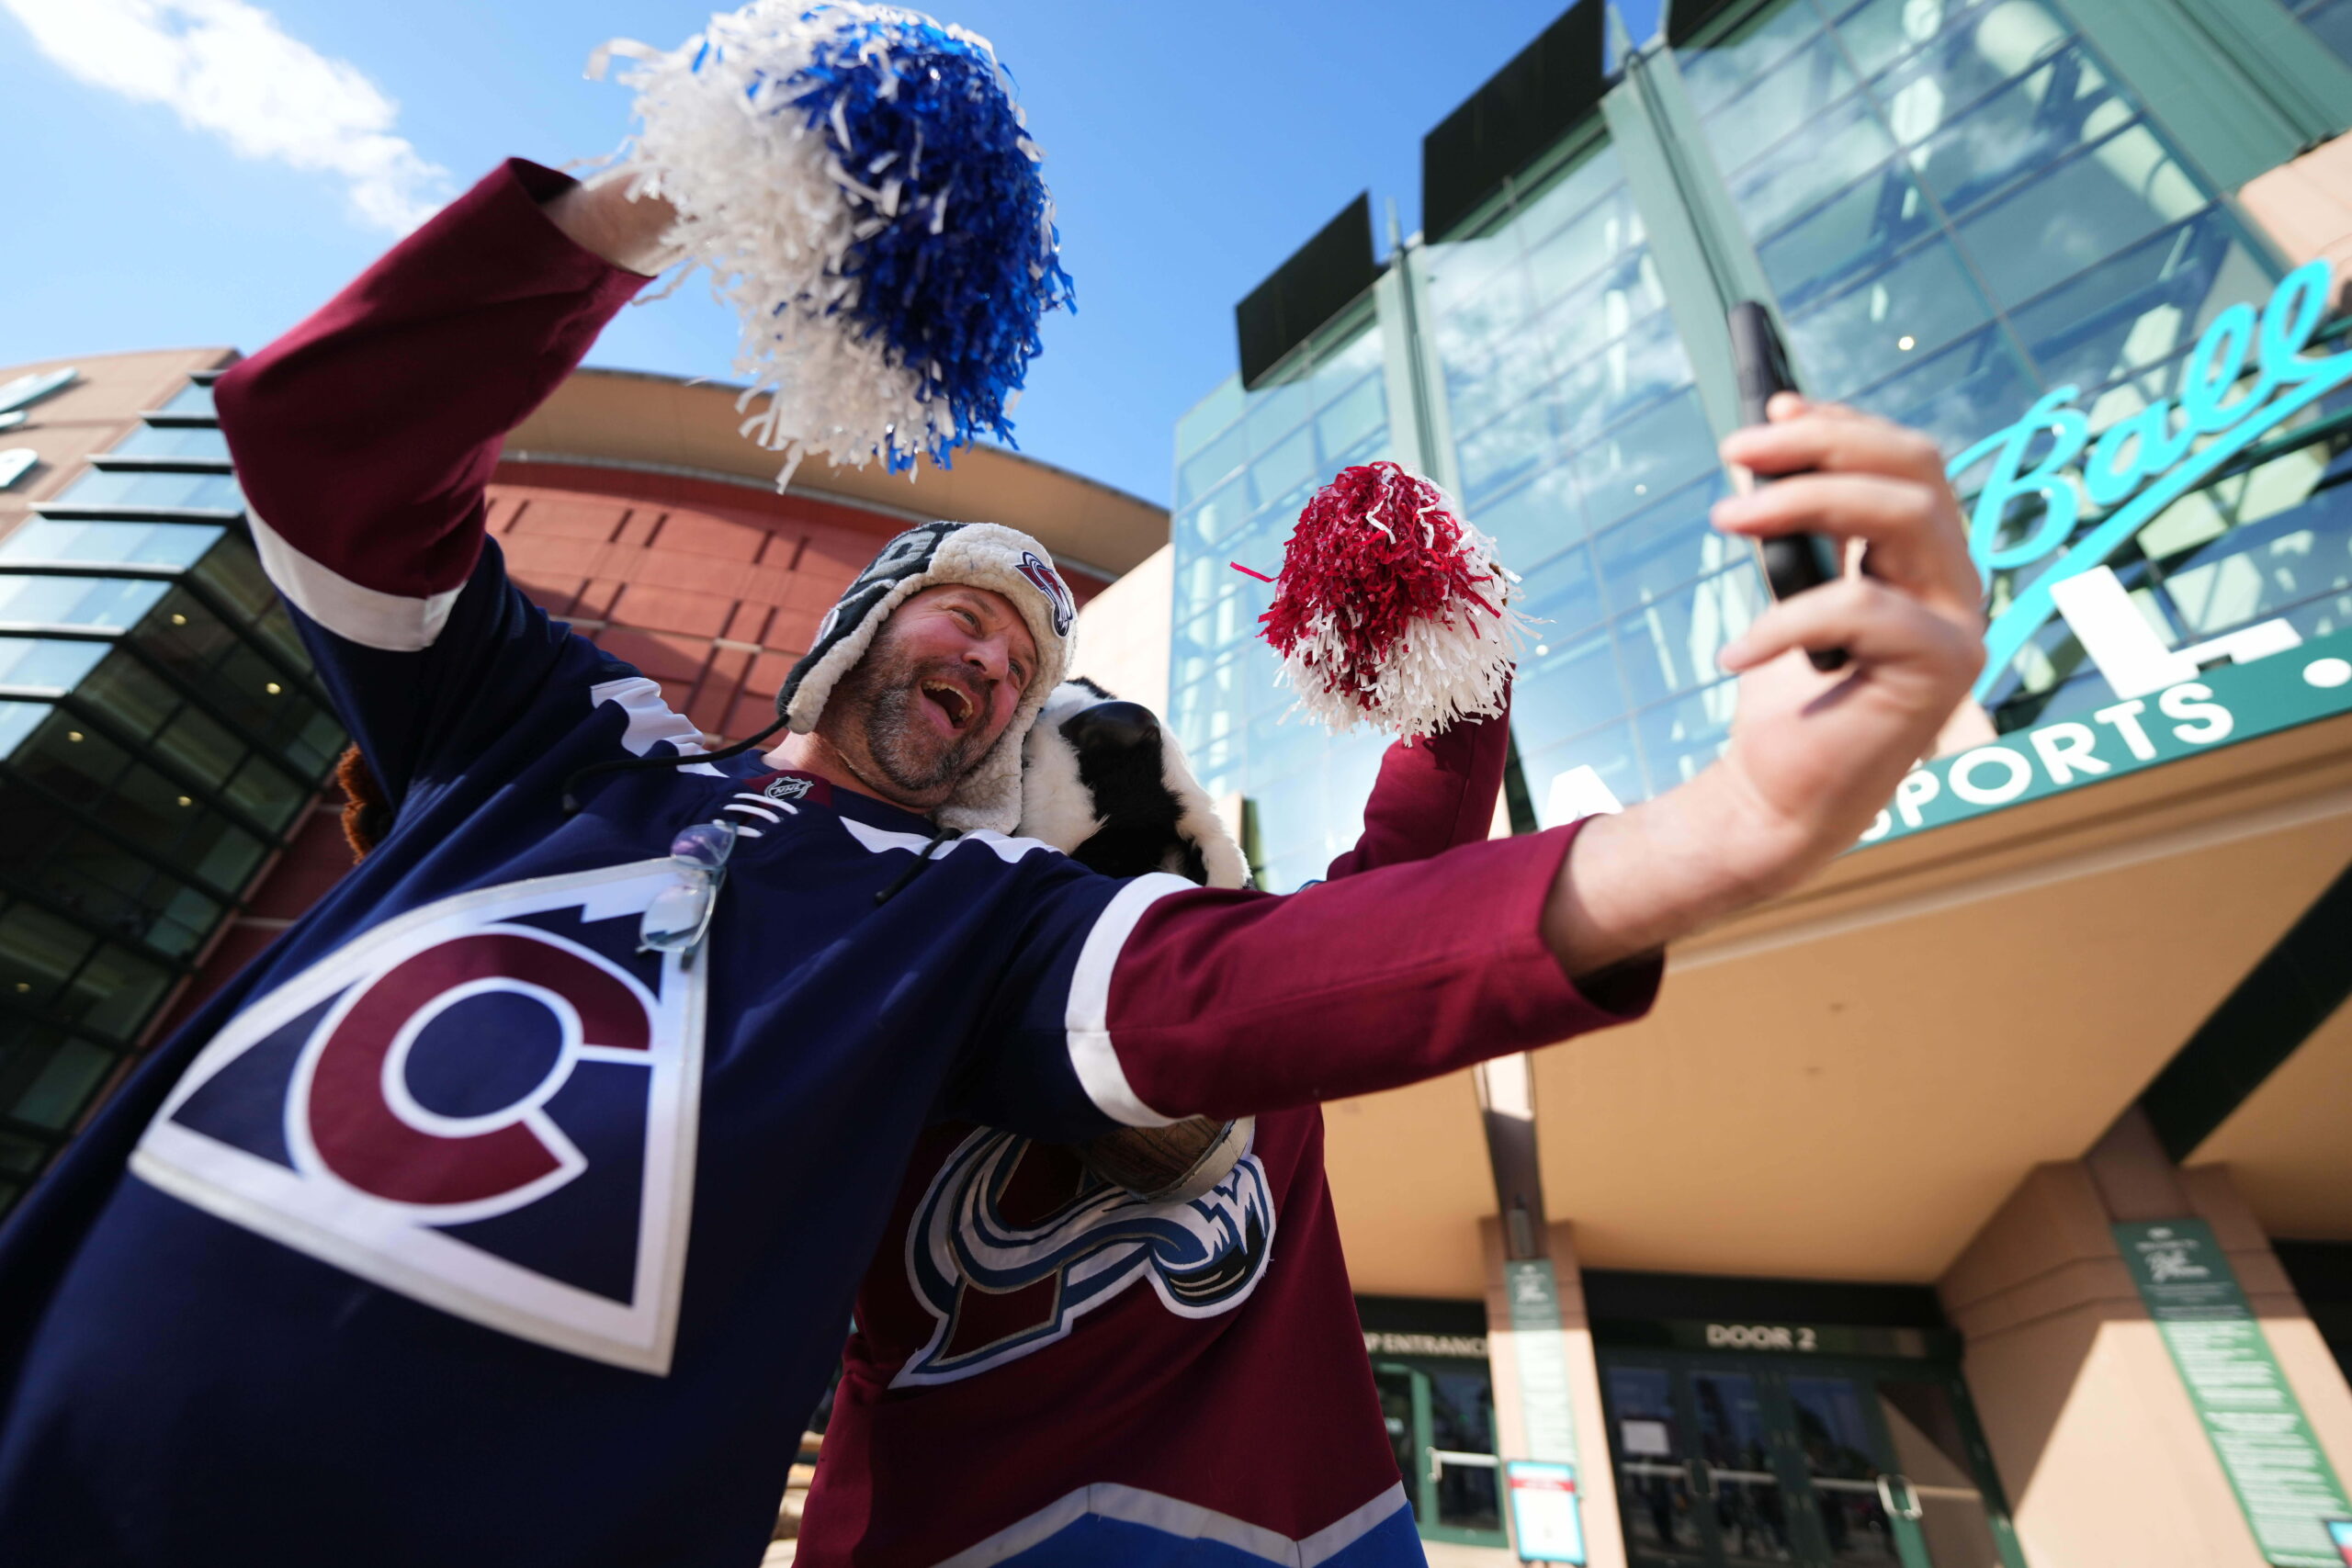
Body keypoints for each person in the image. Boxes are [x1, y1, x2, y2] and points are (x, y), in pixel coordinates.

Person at [0, 158, 1984, 1568]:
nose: (992, 661)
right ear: (853, 625)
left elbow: (1290, 962)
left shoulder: (981, 933)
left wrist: (1729, 822)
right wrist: (661, 193)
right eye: (962, 615)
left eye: (1031, 666)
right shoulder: (553, 736)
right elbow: (329, 453)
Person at [795, 701, 1515, 1566]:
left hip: (1273, 1516)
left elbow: (1412, 868)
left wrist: (1453, 657)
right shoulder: (896, 1012)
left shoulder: (1256, 994)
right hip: (952, 1519)